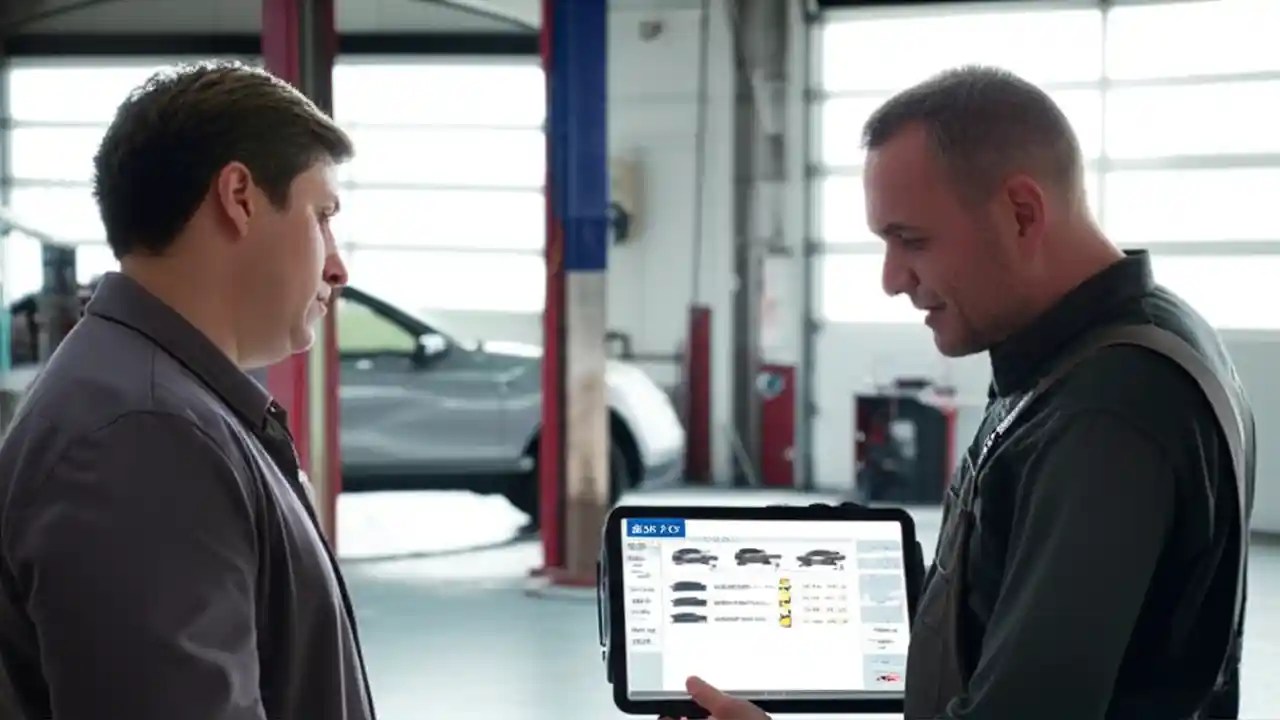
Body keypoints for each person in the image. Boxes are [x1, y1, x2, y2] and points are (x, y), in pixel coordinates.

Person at [668, 66, 1254, 720]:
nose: (893, 279)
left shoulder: (1107, 411)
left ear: (1021, 213)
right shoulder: (1116, 345)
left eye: (911, 240)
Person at [0, 61, 374, 720]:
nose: (338, 265)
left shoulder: (159, 400)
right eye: (322, 216)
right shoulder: (142, 433)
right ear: (240, 196)